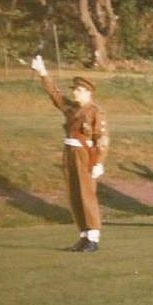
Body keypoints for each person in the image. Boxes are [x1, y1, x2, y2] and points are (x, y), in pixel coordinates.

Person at [31, 55, 108, 252]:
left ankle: (93, 237)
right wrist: (43, 73)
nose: (75, 93)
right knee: (74, 194)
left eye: (79, 90)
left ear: (88, 92)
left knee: (86, 194)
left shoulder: (95, 112)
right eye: (74, 89)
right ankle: (83, 235)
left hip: (85, 154)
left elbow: (102, 139)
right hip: (70, 152)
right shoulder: (72, 108)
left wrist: (98, 162)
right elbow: (55, 94)